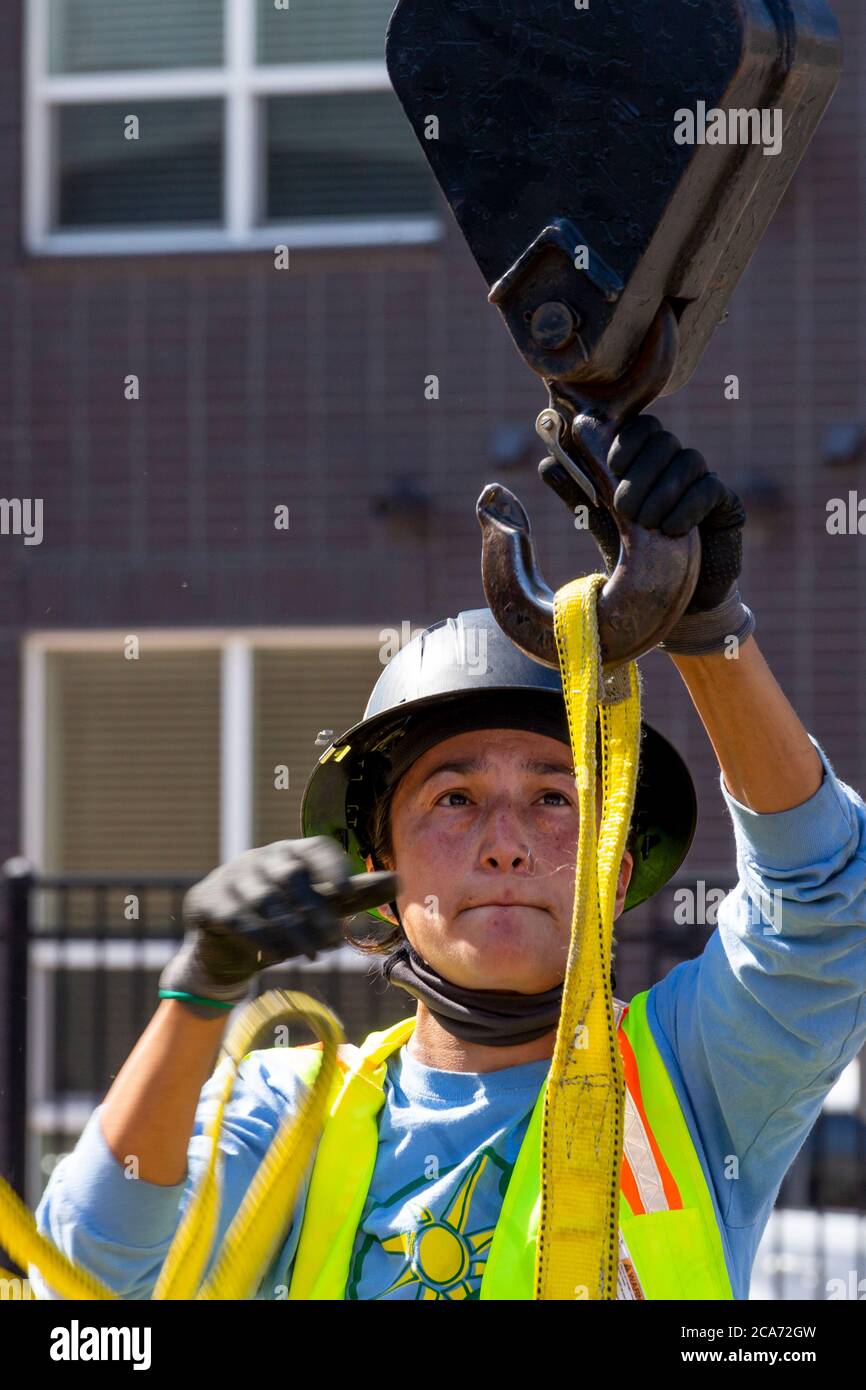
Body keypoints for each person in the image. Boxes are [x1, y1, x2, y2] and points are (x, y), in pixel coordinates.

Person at [33, 418, 866, 1300]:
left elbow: (825, 904)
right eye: (454, 800)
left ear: (615, 875)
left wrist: (707, 628)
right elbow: (89, 1285)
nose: (505, 844)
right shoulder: (296, 1113)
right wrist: (198, 990)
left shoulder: (698, 1077)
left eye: (554, 799)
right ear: (382, 875)